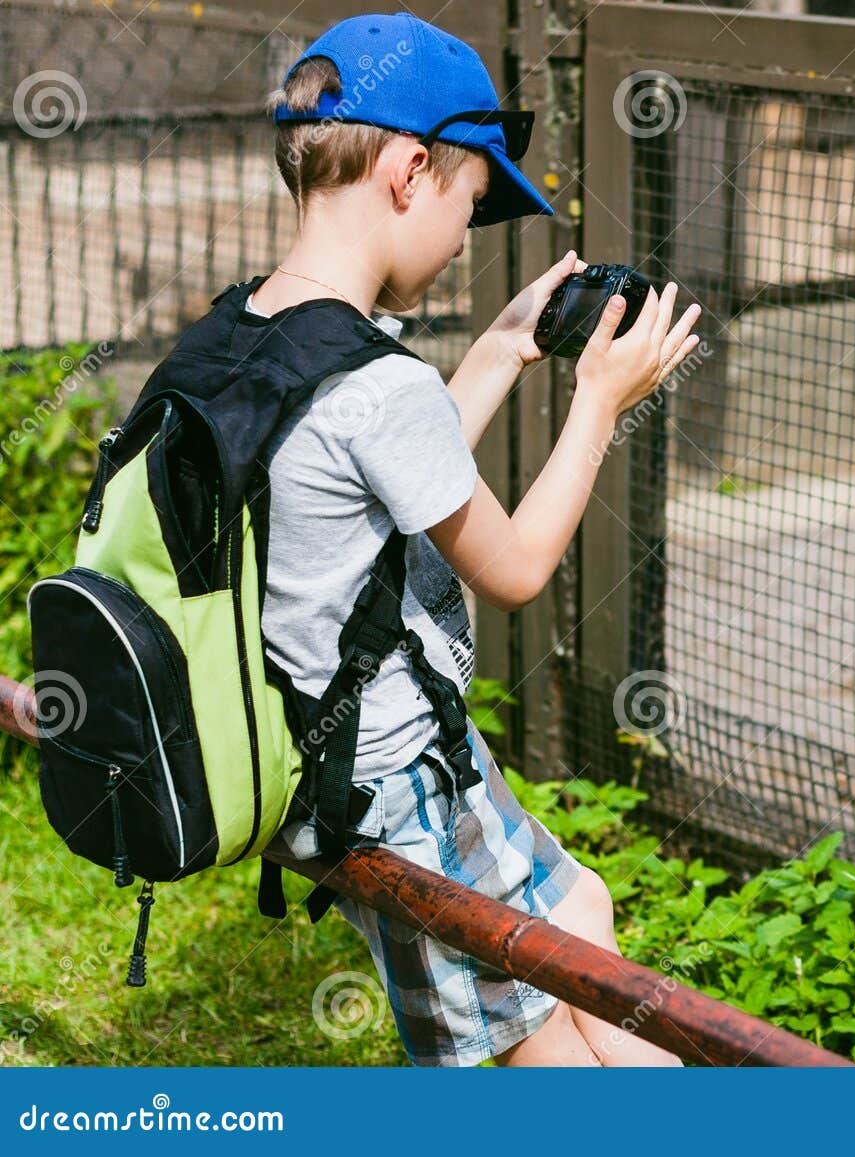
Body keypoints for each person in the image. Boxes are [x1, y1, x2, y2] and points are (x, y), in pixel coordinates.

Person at [254, 12, 700, 1066]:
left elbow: (385, 491)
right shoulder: (379, 380)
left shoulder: (263, 331)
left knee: (578, 905)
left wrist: (501, 348)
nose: (465, 237)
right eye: (468, 200)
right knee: (534, 1055)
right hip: (387, 783)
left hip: (354, 755)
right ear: (410, 171)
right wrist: (598, 400)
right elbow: (515, 568)